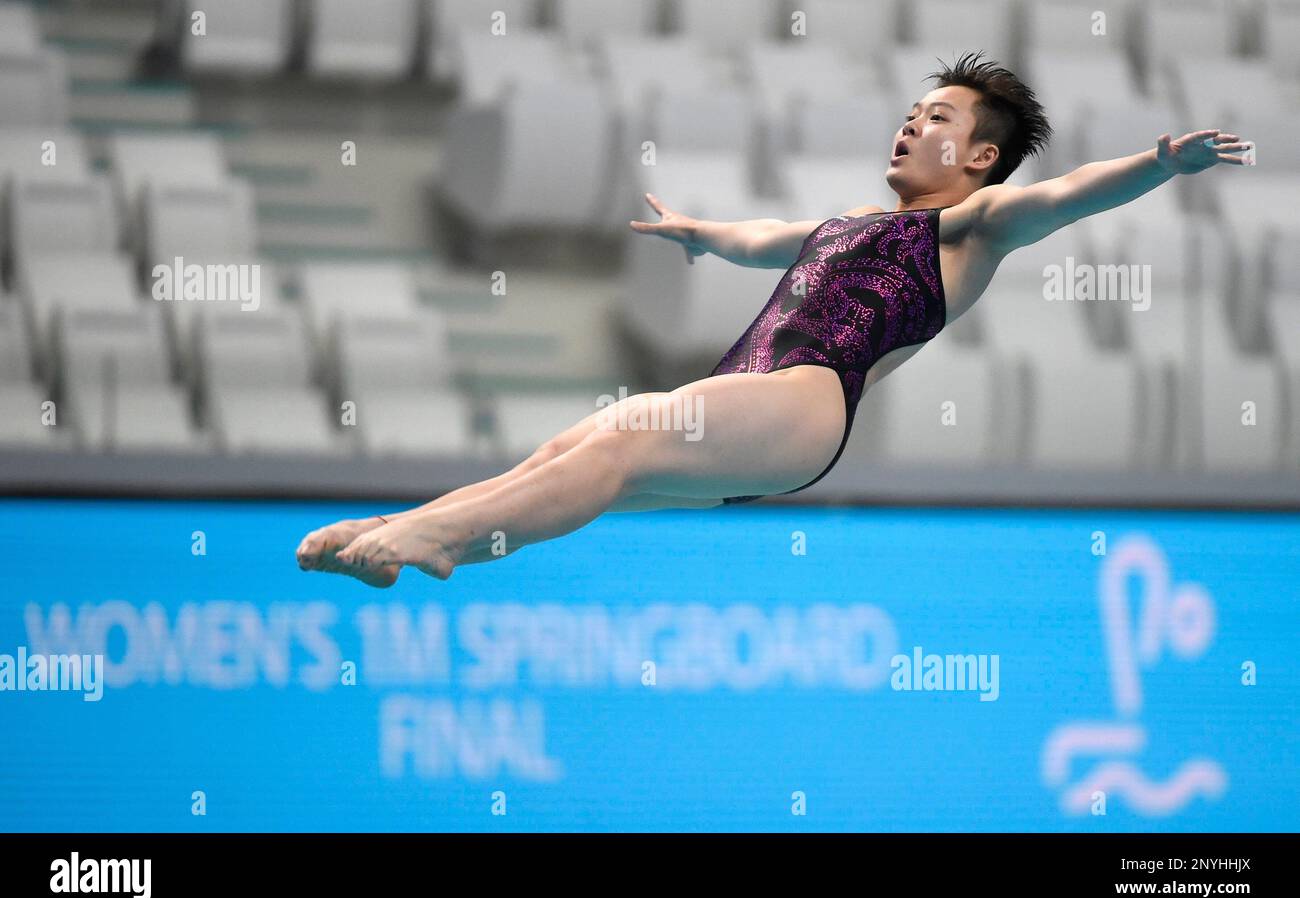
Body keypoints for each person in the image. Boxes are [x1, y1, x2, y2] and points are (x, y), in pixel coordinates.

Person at [296, 52, 1249, 586]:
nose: (913, 125)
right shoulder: (848, 225)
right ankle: (412, 526)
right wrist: (704, 233)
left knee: (625, 433)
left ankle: (438, 540)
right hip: (758, 397)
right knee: (574, 452)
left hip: (806, 401)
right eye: (912, 110)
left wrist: (1160, 164)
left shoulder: (976, 229)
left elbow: (1072, 195)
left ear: (982, 158)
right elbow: (771, 240)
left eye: (939, 119)